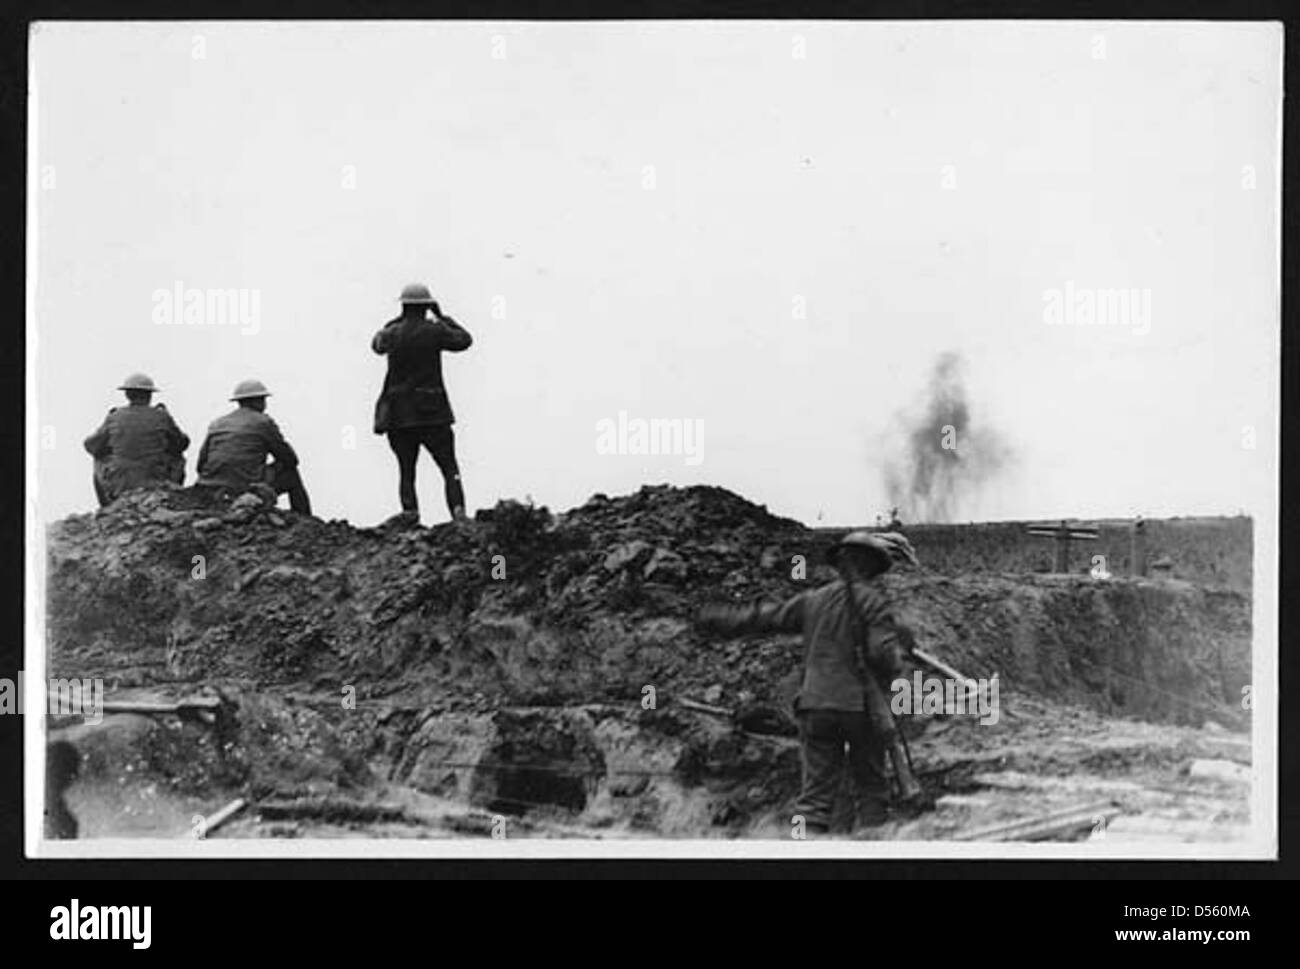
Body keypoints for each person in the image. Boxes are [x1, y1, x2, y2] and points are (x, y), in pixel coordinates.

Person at [697, 531, 920, 835]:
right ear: (872, 567)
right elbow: (883, 656)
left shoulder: (813, 600)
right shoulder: (874, 602)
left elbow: (766, 617)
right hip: (860, 709)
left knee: (814, 798)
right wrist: (899, 652)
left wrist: (721, 618)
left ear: (841, 563)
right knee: (871, 789)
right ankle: (871, 854)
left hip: (814, 707)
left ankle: (805, 850)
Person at [372, 283, 472, 525]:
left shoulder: (391, 333)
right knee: (449, 467)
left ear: (403, 306)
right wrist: (441, 315)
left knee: (406, 470)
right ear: (427, 305)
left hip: (399, 414)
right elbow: (465, 340)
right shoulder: (435, 331)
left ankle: (410, 512)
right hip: (432, 412)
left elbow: (376, 345)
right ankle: (458, 512)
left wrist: (398, 320)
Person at [196, 379, 311, 514]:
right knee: (291, 474)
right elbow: (290, 459)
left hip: (208, 485)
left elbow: (201, 464)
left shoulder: (217, 423)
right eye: (262, 400)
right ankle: (305, 519)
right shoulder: (263, 422)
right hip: (243, 486)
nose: (264, 404)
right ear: (255, 401)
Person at [83, 373, 189, 507]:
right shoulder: (161, 416)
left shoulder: (115, 416)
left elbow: (91, 445)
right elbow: (182, 443)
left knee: (98, 458)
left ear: (127, 394)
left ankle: (108, 506)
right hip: (156, 480)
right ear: (150, 395)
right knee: (178, 458)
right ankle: (170, 498)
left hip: (121, 484)